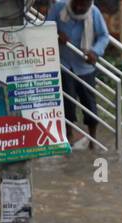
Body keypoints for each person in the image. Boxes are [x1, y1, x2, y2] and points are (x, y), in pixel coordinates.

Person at [47, 0, 111, 149]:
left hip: (85, 68)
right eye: (77, 3)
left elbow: (103, 36)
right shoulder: (59, 8)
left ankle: (93, 138)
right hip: (64, 65)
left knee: (89, 104)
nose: (79, 7)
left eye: (84, 5)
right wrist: (56, 34)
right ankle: (68, 135)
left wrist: (95, 51)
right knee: (67, 103)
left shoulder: (94, 12)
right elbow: (45, 28)